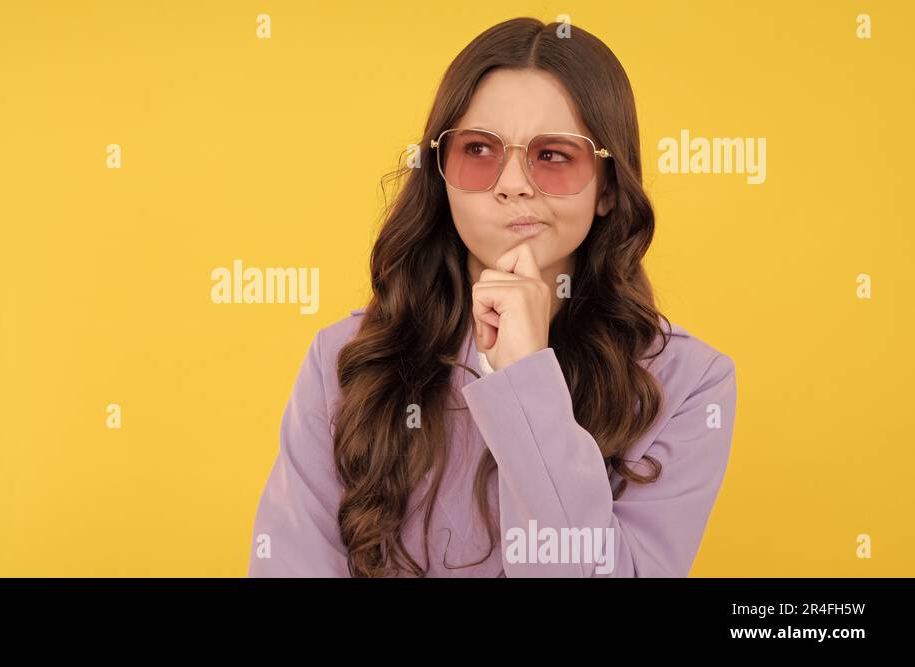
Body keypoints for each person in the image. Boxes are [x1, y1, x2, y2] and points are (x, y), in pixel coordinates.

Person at [248, 17, 737, 577]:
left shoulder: (690, 382)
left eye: (553, 154)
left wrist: (526, 380)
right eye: (478, 149)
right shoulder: (345, 358)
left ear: (606, 187)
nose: (512, 182)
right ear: (441, 173)